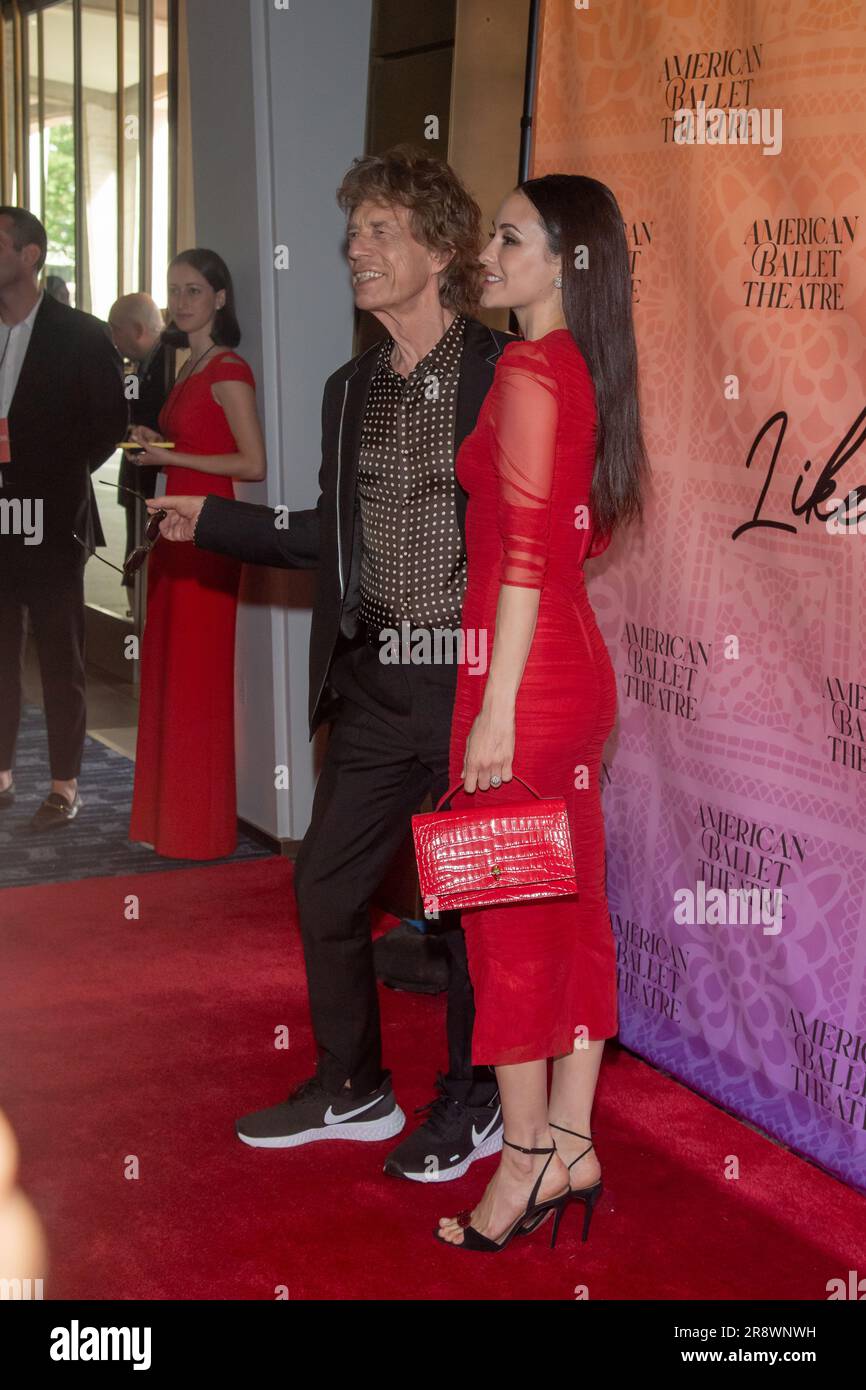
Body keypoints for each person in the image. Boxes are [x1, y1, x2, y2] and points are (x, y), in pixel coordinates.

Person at [150, 148, 510, 1182]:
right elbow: (326, 536)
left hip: (467, 683)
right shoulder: (346, 388)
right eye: (353, 231)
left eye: (380, 230)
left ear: (440, 248)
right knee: (323, 887)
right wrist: (212, 517)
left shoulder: (501, 373)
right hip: (371, 684)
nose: (355, 248)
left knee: (461, 912)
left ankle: (474, 1100)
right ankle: (352, 1084)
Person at [435, 175, 649, 1251]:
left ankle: (519, 1163)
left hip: (520, 684)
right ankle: (569, 1139)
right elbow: (581, 539)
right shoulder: (582, 368)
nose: (488, 250)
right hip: (570, 673)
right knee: (565, 912)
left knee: (506, 924)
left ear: (562, 261)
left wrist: (491, 712)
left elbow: (521, 555)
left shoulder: (526, 370)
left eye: (509, 236)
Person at [128, 250, 265, 860]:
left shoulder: (229, 368)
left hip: (208, 529)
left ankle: (200, 831)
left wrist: (171, 458)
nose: (181, 302)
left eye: (193, 291)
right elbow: (195, 442)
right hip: (175, 524)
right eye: (173, 291)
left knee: (197, 677)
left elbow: (251, 464)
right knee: (170, 669)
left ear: (220, 298)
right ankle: (169, 823)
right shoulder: (190, 364)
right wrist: (159, 444)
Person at [0, 208, 127, 831]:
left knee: (59, 655)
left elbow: (107, 424)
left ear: (30, 256)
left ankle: (64, 784)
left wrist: (55, 477)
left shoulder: (79, 333)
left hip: (52, 520)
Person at [108, 293, 172, 582]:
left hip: (156, 481)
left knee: (150, 559)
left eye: (115, 331)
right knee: (135, 558)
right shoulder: (136, 365)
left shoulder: (172, 363)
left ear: (136, 330)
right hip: (137, 477)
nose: (113, 341)